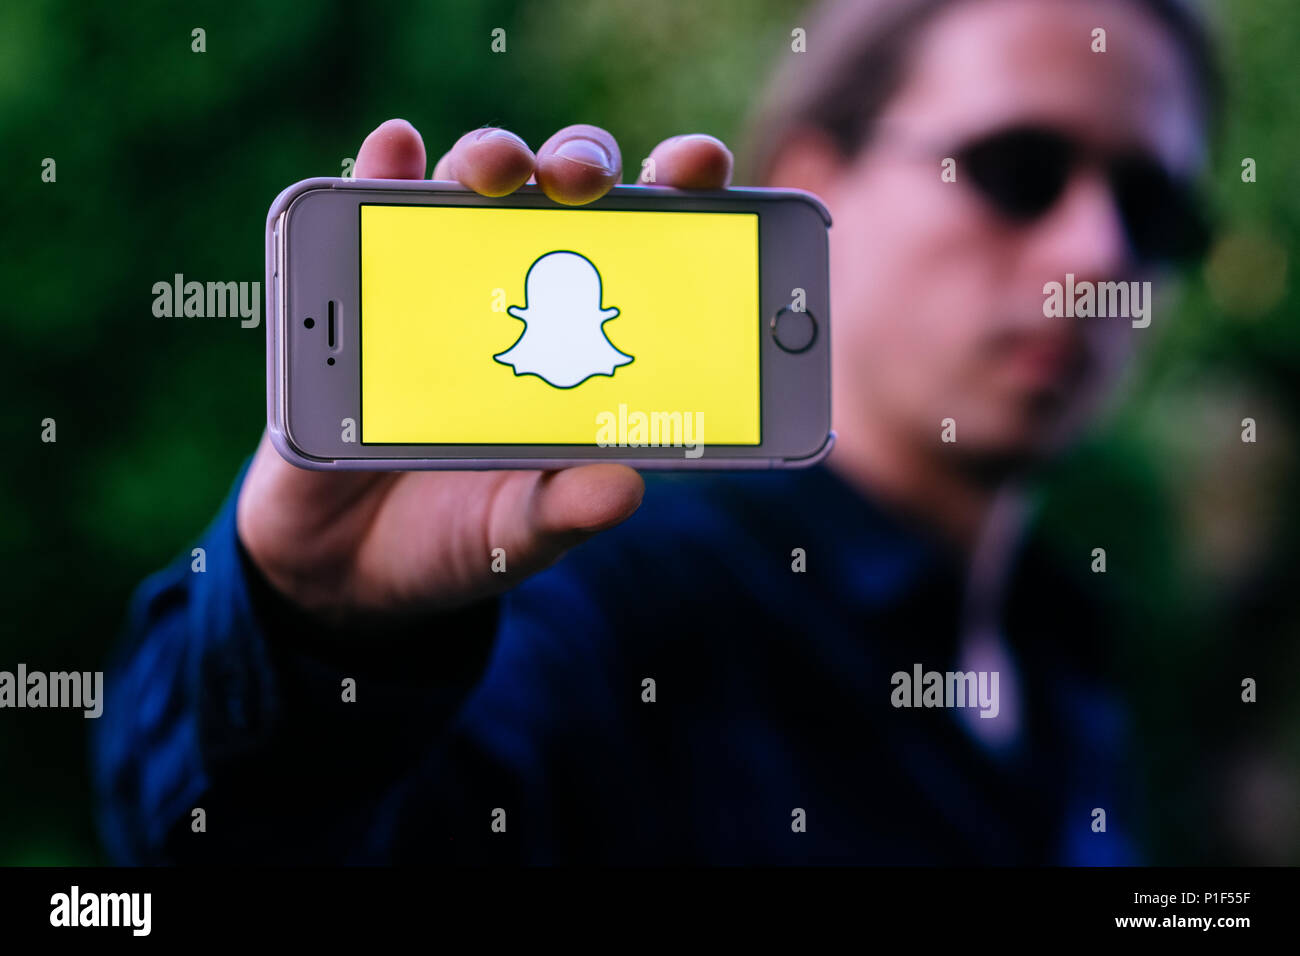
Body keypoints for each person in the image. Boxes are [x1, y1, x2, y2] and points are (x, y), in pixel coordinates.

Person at [94, 0, 1217, 864]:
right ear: (808, 176)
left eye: (1151, 208)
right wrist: (317, 635)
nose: (1097, 256)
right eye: (1018, 170)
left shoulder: (1069, 653)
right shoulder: (604, 597)